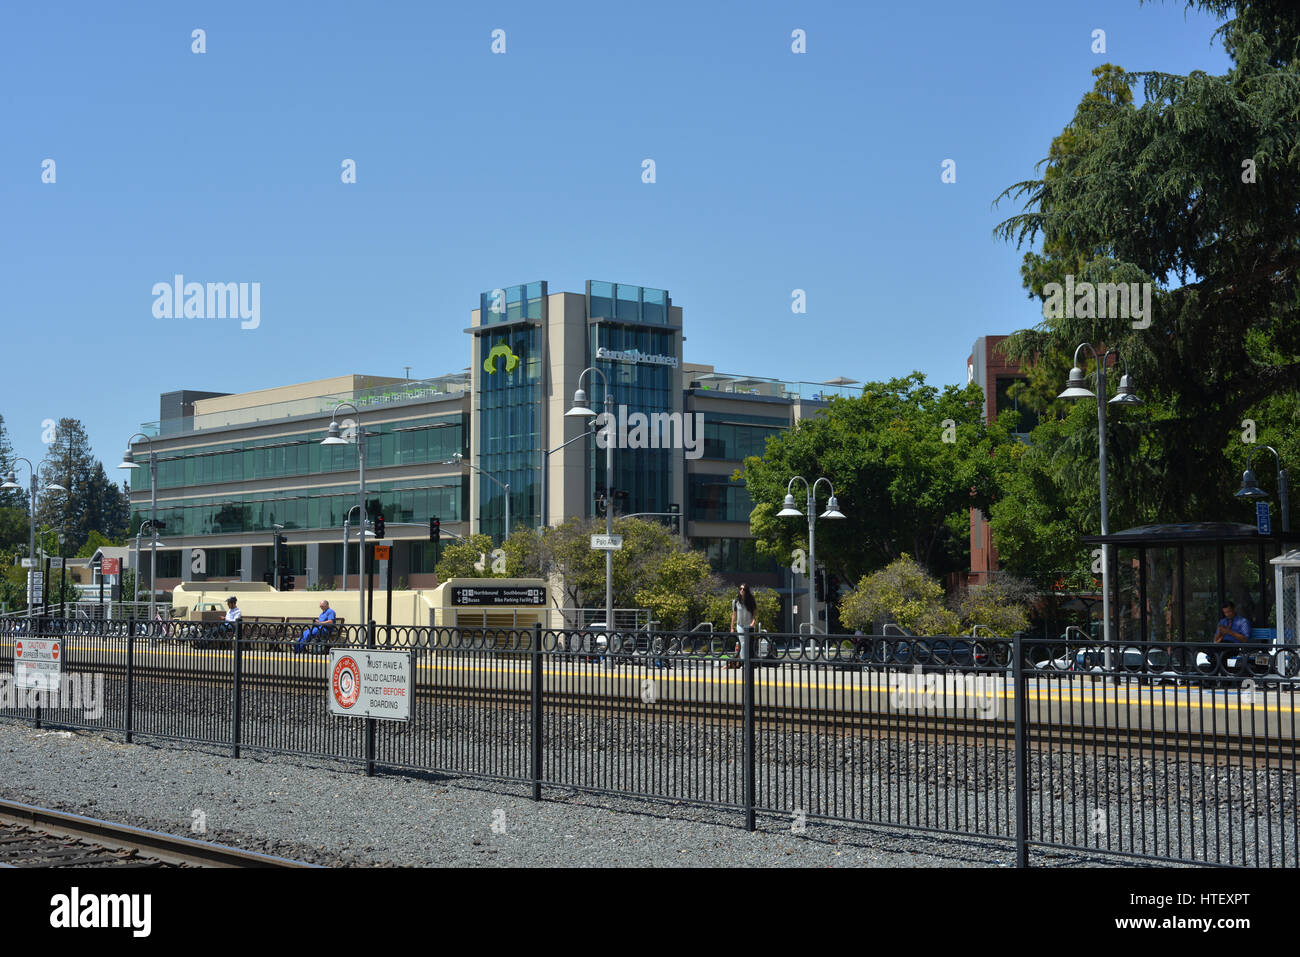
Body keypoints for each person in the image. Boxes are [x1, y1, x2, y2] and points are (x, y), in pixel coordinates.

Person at [729, 584, 757, 669]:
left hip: (749, 625)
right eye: (740, 589)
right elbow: (734, 615)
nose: (741, 590)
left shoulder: (751, 601)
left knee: (750, 644)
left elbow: (755, 614)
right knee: (743, 643)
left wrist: (753, 623)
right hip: (740, 625)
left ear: (747, 591)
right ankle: (744, 663)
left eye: (743, 589)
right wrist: (732, 627)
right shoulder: (736, 601)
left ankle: (751, 662)